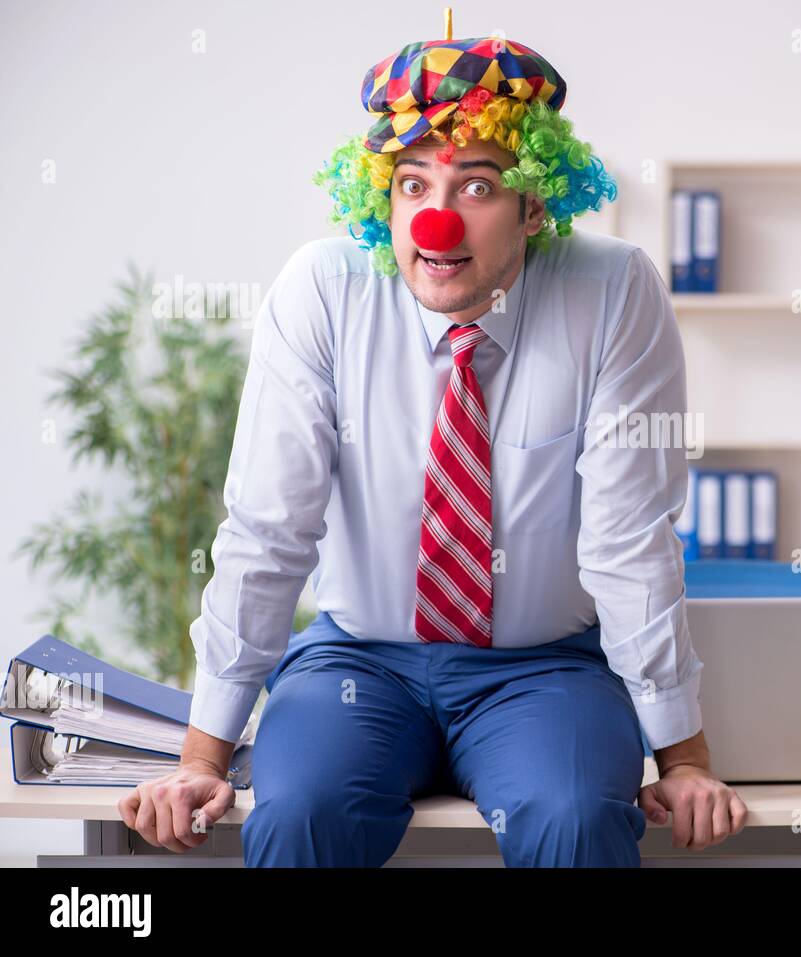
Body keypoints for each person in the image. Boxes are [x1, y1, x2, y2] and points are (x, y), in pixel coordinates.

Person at [117, 20, 747, 866]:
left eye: (476, 187)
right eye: (412, 185)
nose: (436, 223)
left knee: (571, 816)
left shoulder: (613, 290)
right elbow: (268, 530)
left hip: (542, 669)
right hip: (359, 662)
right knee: (301, 811)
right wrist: (202, 757)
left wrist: (686, 760)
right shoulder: (322, 291)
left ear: (533, 201)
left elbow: (628, 537)